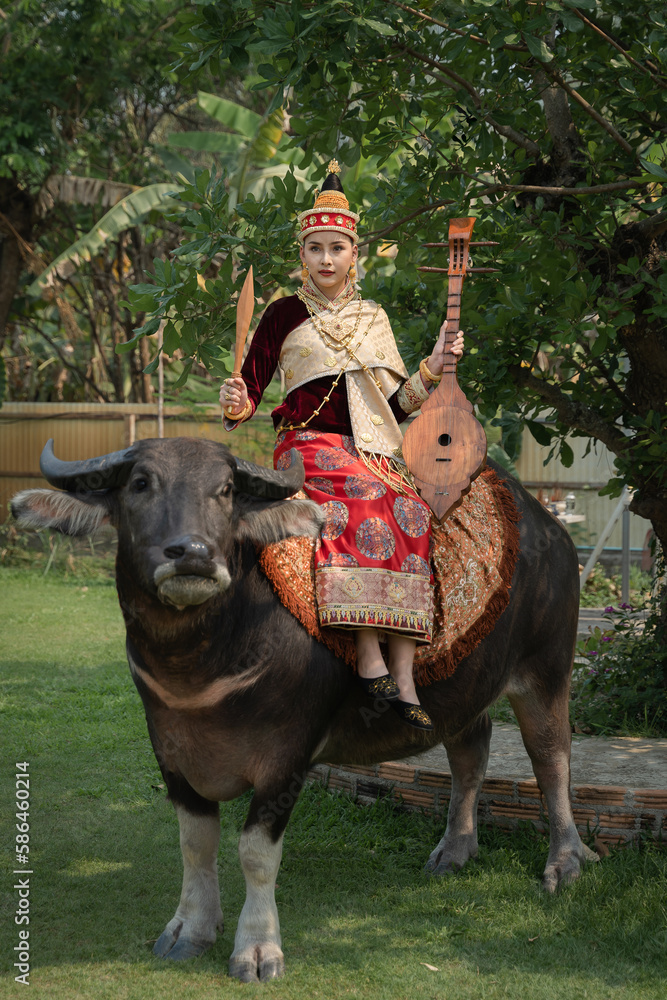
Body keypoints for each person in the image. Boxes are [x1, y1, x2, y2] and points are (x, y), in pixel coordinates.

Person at [221, 160, 463, 730]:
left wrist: (431, 366)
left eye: (337, 248)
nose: (326, 260)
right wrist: (235, 396)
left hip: (369, 448)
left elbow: (398, 406)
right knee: (365, 492)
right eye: (315, 249)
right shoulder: (283, 313)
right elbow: (248, 397)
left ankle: (403, 681)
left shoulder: (373, 318)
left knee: (411, 508)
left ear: (355, 253)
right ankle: (368, 655)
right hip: (307, 446)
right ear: (302, 255)